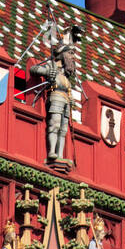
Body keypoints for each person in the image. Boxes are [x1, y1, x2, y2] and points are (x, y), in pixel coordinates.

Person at [30, 24, 82, 162]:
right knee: (55, 124)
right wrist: (47, 72)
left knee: (63, 130)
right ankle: (52, 152)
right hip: (56, 97)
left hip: (65, 100)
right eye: (71, 54)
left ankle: (59, 155)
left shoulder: (65, 76)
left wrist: (71, 98)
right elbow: (34, 69)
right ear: (63, 54)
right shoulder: (53, 66)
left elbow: (68, 89)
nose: (73, 58)